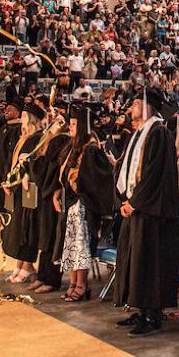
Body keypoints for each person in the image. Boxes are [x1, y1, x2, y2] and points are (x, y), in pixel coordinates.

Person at [111, 88, 179, 337]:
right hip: (138, 208)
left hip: (152, 213)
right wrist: (123, 199)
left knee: (150, 264)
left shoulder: (158, 133)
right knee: (136, 261)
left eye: (136, 104)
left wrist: (136, 202)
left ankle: (153, 315)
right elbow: (126, 168)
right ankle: (140, 308)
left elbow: (154, 175)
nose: (131, 108)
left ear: (148, 107)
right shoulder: (140, 132)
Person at [54, 103, 116, 302]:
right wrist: (59, 192)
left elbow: (93, 180)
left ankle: (82, 285)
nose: (70, 127)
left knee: (80, 247)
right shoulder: (75, 147)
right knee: (71, 244)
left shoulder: (90, 149)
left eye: (73, 124)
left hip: (83, 206)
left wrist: (74, 187)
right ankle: (73, 282)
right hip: (71, 204)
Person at [2, 101, 47, 284]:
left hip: (29, 190)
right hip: (17, 188)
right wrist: (9, 180)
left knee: (27, 228)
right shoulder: (23, 138)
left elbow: (36, 163)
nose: (22, 119)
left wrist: (26, 174)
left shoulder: (38, 138)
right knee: (17, 229)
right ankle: (19, 265)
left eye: (25, 116)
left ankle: (28, 266)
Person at [24, 107, 69, 294]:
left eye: (59, 121)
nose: (54, 124)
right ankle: (42, 275)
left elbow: (50, 165)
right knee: (44, 237)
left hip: (53, 193)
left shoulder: (63, 140)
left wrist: (35, 161)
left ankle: (52, 279)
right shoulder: (48, 139)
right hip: (45, 192)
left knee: (52, 238)